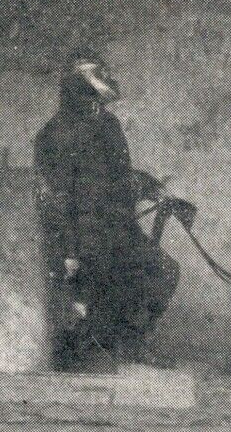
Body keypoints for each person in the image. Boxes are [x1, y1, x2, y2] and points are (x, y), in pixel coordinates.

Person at [34, 51, 178, 368]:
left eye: (96, 98)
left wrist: (149, 186)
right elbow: (57, 198)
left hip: (115, 230)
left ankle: (131, 343)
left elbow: (118, 176)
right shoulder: (53, 136)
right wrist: (69, 251)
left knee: (163, 270)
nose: (94, 104)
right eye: (88, 96)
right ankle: (91, 348)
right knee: (92, 296)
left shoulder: (108, 125)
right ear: (73, 92)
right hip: (80, 236)